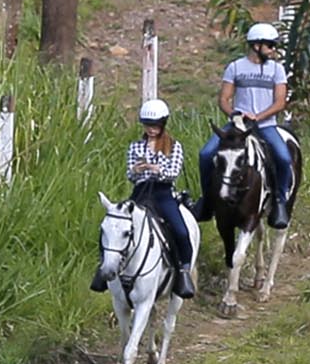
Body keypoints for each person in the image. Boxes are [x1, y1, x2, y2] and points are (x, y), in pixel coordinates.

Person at [200, 22, 296, 228]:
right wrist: (234, 113)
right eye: (269, 45)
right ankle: (207, 200)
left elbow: (280, 101)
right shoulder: (235, 67)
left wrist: (259, 117)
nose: (272, 50)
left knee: (283, 156)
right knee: (206, 154)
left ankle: (280, 201)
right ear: (256, 45)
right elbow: (224, 99)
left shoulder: (277, 70)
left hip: (266, 125)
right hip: (237, 125)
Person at [125, 100, 199, 299]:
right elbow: (130, 175)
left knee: (181, 231)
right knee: (116, 224)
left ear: (163, 124)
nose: (151, 129)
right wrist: (136, 170)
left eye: (155, 125)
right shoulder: (135, 147)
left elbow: (172, 173)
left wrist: (155, 169)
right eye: (148, 125)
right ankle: (106, 268)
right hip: (141, 192)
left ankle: (183, 271)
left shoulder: (174, 147)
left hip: (162, 193)